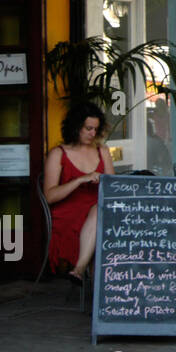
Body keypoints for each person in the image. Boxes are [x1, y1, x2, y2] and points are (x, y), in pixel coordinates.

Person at [43, 103, 115, 287]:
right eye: (88, 128)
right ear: (76, 127)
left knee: (100, 211)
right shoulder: (58, 153)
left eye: (96, 129)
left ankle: (79, 270)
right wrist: (79, 180)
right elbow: (49, 196)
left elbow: (113, 189)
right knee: (100, 213)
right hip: (69, 212)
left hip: (98, 208)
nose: (92, 133)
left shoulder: (102, 151)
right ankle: (83, 271)